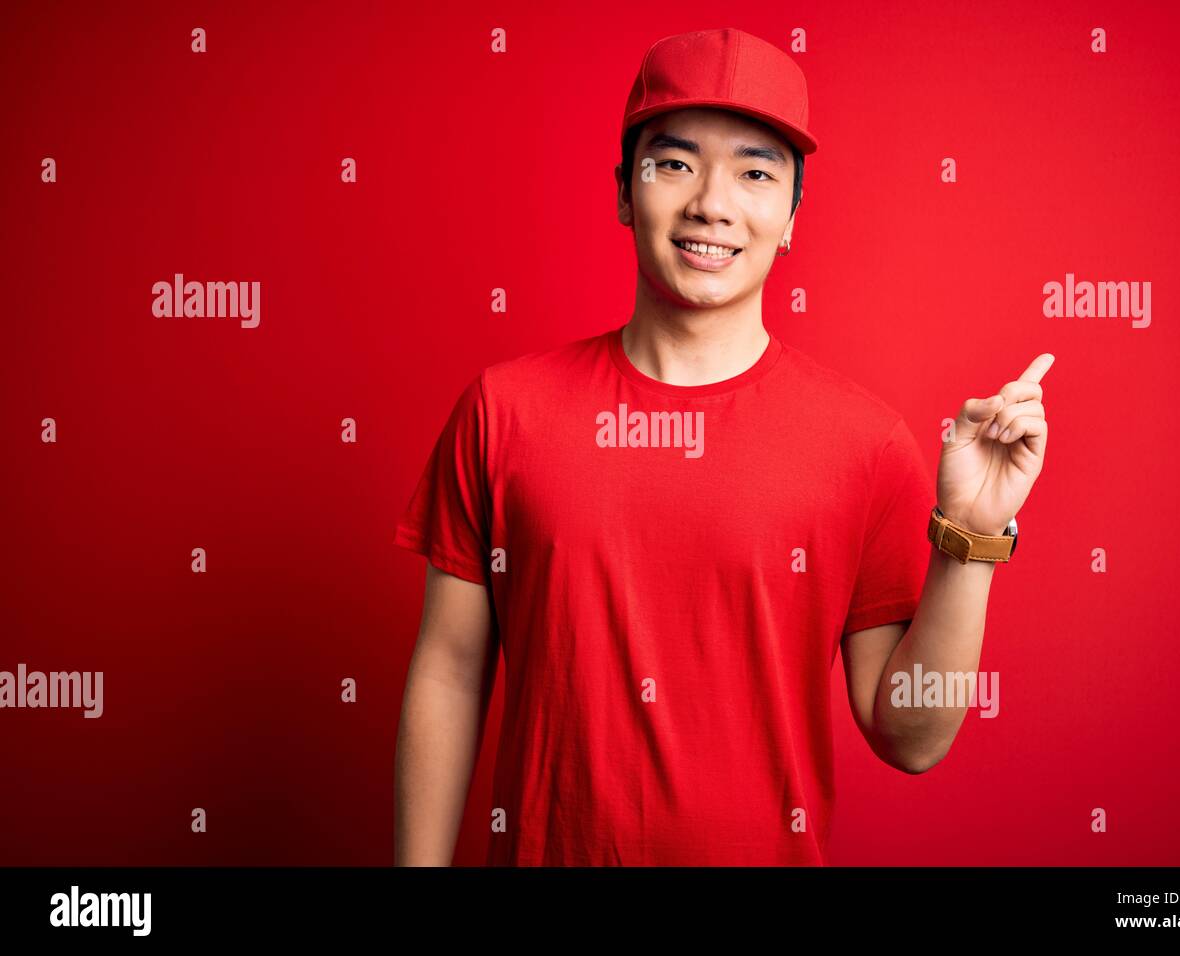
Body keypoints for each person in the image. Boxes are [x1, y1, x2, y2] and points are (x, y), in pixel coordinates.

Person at [392, 27, 1052, 866]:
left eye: (754, 171)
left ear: (791, 219)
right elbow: (449, 675)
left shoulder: (866, 444)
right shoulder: (503, 410)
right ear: (626, 192)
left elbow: (910, 738)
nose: (712, 202)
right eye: (673, 162)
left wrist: (971, 540)